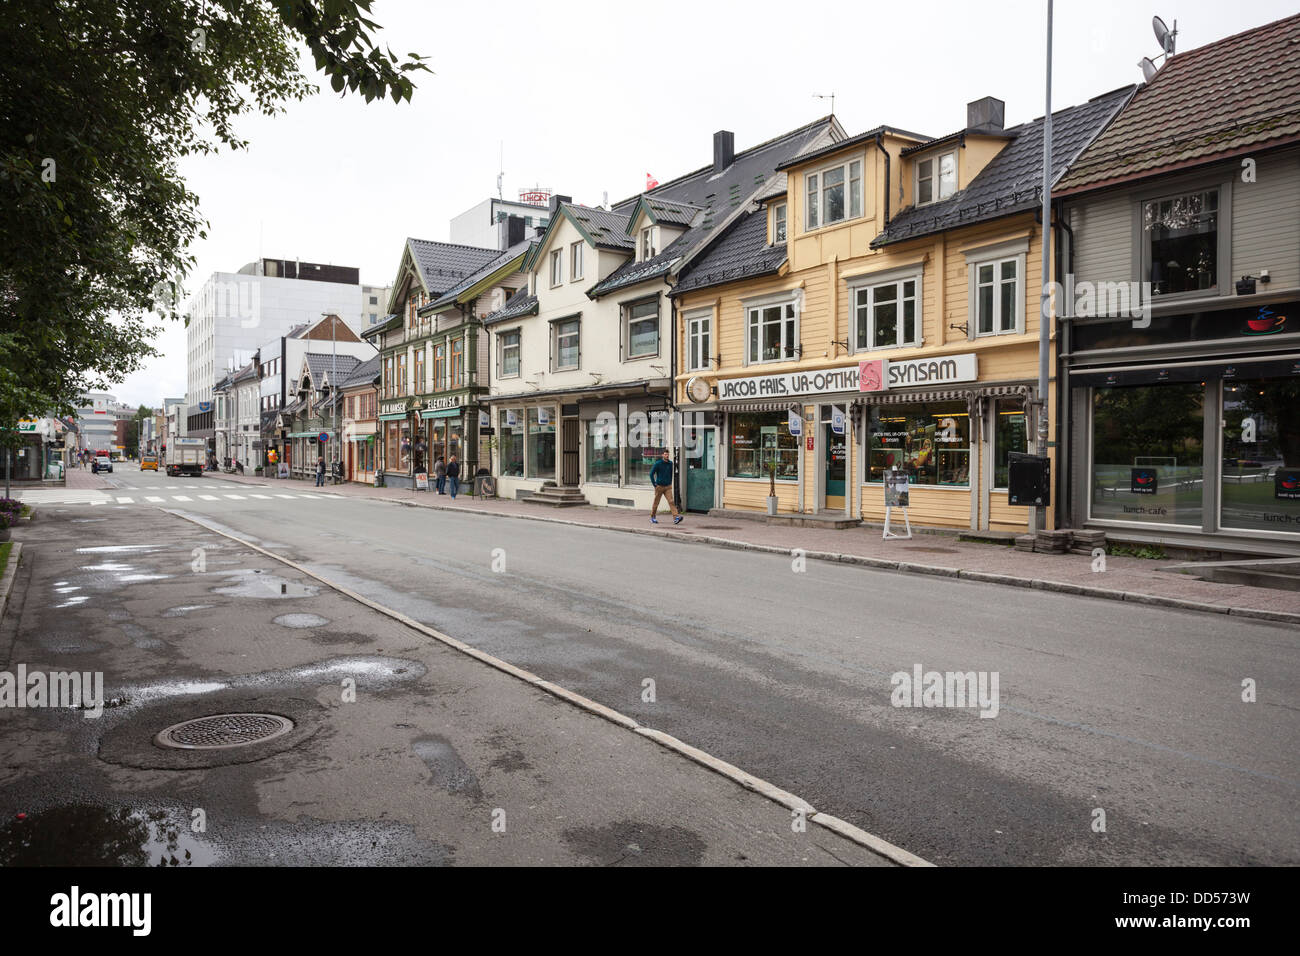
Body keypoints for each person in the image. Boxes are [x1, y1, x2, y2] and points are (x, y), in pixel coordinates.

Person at [649, 448, 681, 524]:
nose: (667, 455)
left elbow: (671, 474)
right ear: (662, 455)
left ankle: (676, 517)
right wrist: (655, 484)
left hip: (667, 487)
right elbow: (651, 474)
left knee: (671, 501)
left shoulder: (670, 463)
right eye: (665, 454)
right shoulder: (658, 463)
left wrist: (670, 483)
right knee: (656, 503)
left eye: (668, 454)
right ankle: (653, 517)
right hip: (659, 486)